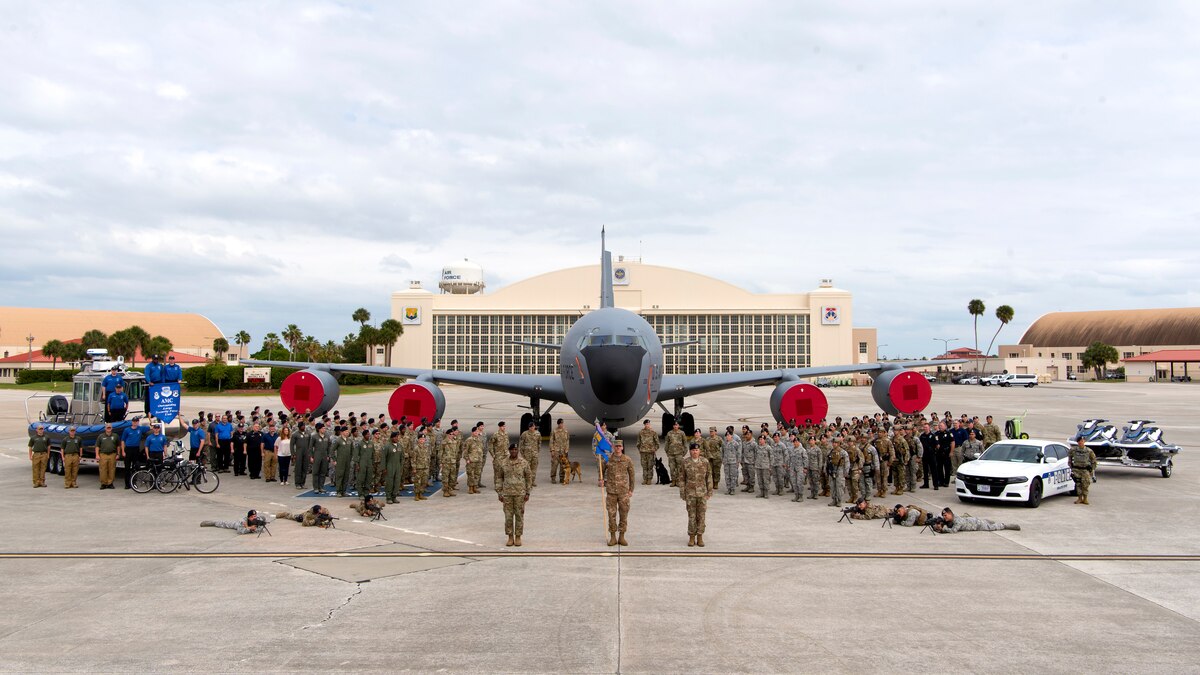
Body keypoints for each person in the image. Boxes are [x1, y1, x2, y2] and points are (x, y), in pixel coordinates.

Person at [496, 444, 533, 547]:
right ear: (509, 451)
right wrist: (499, 492)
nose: (513, 451)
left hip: (520, 494)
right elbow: (499, 478)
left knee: (519, 516)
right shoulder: (503, 463)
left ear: (518, 451)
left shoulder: (524, 463)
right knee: (508, 516)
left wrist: (528, 492)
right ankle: (510, 537)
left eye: (515, 450)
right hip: (507, 494)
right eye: (512, 450)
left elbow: (529, 477)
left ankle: (518, 536)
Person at [600, 440, 635, 546]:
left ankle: (622, 537)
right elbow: (601, 470)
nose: (618, 448)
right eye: (616, 446)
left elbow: (632, 475)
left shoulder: (627, 460)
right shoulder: (608, 459)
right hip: (611, 491)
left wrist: (631, 489)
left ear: (622, 448)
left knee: (624, 514)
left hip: (623, 492)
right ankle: (613, 537)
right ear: (613, 447)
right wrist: (601, 480)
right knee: (611, 515)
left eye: (619, 446)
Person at [679, 444, 712, 547]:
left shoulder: (705, 462)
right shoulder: (685, 462)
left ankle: (700, 536)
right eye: (693, 450)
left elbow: (709, 477)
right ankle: (692, 537)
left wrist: (709, 491)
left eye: (696, 450)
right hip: (690, 493)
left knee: (701, 515)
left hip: (702, 493)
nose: (695, 452)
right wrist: (682, 492)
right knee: (692, 516)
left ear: (699, 451)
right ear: (690, 451)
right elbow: (682, 478)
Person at [934, 507, 1020, 533]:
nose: (944, 517)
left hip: (977, 525)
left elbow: (953, 530)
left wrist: (942, 529)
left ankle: (1005, 525)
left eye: (945, 515)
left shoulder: (957, 521)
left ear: (950, 513)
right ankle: (987, 521)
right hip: (973, 520)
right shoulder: (953, 517)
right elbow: (945, 521)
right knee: (987, 522)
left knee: (992, 527)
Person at [119, 418, 147, 489]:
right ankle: (127, 484)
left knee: (136, 467)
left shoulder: (140, 429)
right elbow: (122, 441)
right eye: (134, 421)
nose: (135, 423)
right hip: (128, 449)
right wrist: (123, 451)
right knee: (127, 468)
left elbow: (150, 427)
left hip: (136, 449)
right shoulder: (127, 430)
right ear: (132, 422)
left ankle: (134, 483)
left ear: (138, 422)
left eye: (136, 421)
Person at [1069, 436, 1097, 505]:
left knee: (1085, 484)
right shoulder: (1073, 450)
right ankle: (1079, 498)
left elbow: (1094, 460)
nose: (1080, 442)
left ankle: (1085, 499)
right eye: (1079, 441)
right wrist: (1071, 467)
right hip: (1077, 470)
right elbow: (1069, 458)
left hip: (1085, 470)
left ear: (1084, 441)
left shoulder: (1089, 451)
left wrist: (1092, 470)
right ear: (1077, 442)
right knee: (1078, 484)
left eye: (1082, 441)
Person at [95, 423, 120, 489]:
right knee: (103, 469)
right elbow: (97, 446)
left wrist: (118, 454)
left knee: (112, 469)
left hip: (112, 454)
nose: (108, 429)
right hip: (103, 454)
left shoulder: (115, 436)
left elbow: (118, 446)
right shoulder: (101, 436)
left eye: (110, 427)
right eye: (107, 427)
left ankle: (110, 483)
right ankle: (103, 483)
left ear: (111, 428)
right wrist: (97, 455)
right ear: (105, 428)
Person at [463, 425, 485, 493]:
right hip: (471, 460)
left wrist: (481, 458)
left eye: (477, 431)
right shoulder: (469, 440)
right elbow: (465, 451)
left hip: (478, 460)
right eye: (475, 431)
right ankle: (470, 488)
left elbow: (481, 449)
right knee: (470, 474)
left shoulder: (479, 440)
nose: (476, 432)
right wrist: (467, 459)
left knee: (477, 474)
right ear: (472, 432)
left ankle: (475, 487)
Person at [636, 419, 658, 486]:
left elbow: (657, 443)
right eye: (646, 424)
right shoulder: (641, 432)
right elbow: (638, 442)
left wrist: (655, 449)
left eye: (648, 424)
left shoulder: (653, 432)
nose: (647, 425)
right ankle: (645, 479)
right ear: (644, 425)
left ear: (649, 424)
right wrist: (639, 449)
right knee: (644, 466)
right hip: (643, 452)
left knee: (650, 466)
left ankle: (649, 479)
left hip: (650, 452)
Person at [384, 431, 405, 503]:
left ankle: (394, 497)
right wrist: (384, 468)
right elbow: (384, 458)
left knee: (397, 482)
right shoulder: (387, 446)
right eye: (395, 437)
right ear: (392, 437)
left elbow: (402, 457)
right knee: (390, 482)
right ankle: (388, 497)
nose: (396, 438)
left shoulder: (400, 446)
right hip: (389, 466)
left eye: (397, 437)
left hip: (397, 466)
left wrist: (401, 466)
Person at [310, 423, 331, 493]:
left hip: (324, 456)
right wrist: (311, 456)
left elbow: (329, 446)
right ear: (319, 429)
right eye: (322, 428)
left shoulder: (327, 436)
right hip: (317, 455)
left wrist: (328, 455)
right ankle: (316, 487)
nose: (324, 429)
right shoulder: (314, 436)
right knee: (315, 472)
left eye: (324, 428)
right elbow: (310, 447)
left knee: (323, 472)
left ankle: (321, 487)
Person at [518, 421, 541, 487]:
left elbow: (539, 443)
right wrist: (522, 453)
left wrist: (537, 451)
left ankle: (532, 481)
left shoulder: (537, 433)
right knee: (526, 468)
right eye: (530, 427)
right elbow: (521, 444)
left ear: (534, 427)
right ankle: (526, 482)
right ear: (529, 427)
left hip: (535, 454)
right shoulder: (524, 434)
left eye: (533, 427)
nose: (532, 428)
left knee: (534, 468)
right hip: (527, 455)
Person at [410, 432, 431, 500]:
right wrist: (414, 468)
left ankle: (421, 494)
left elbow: (428, 457)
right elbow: (413, 459)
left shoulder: (426, 447)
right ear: (418, 440)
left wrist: (428, 465)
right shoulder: (416, 448)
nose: (422, 440)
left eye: (423, 439)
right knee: (417, 482)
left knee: (424, 481)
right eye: (421, 439)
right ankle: (416, 494)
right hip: (418, 467)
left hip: (425, 467)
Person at [440, 428, 461, 496]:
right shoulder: (444, 442)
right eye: (450, 434)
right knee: (445, 477)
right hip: (446, 462)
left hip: (453, 462)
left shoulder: (454, 442)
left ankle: (450, 490)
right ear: (447, 434)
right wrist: (441, 462)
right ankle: (445, 491)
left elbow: (455, 451)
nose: (452, 435)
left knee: (452, 477)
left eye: (452, 434)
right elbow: (440, 453)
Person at [664, 422, 686, 487]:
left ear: (678, 426)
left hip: (679, 453)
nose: (675, 426)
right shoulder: (669, 433)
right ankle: (673, 481)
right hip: (671, 453)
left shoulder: (682, 433)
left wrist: (684, 453)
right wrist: (667, 452)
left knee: (679, 468)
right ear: (673, 426)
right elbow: (666, 443)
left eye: (676, 425)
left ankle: (679, 481)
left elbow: (685, 443)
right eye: (674, 425)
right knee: (672, 468)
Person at [550, 419, 570, 484]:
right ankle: (553, 478)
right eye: (560, 424)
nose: (561, 425)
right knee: (554, 465)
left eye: (562, 423)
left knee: (563, 465)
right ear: (558, 424)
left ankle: (562, 478)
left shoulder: (566, 431)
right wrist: (552, 450)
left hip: (563, 451)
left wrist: (567, 449)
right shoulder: (554, 431)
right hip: (556, 451)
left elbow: (567, 441)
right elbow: (551, 441)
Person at [721, 431, 740, 495]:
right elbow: (722, 452)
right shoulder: (724, 443)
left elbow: (738, 453)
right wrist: (722, 460)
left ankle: (732, 489)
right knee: (727, 476)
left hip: (733, 462)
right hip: (726, 462)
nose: (727, 437)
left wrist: (738, 461)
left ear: (731, 436)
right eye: (726, 436)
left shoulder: (735, 443)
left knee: (733, 476)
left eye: (729, 435)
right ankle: (728, 489)